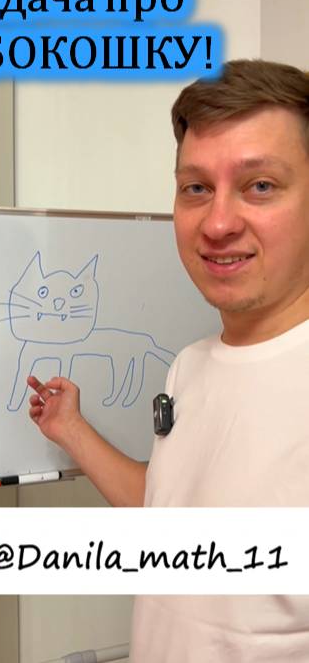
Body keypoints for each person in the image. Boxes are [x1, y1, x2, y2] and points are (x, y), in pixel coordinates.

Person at [28, 60, 309, 661]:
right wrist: (70, 429)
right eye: (196, 188)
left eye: (260, 185)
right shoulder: (191, 366)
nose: (218, 223)